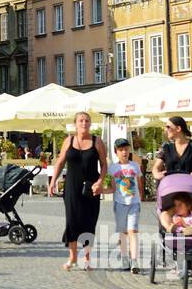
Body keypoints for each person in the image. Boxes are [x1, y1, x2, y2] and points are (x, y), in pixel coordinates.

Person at [49, 111, 108, 271]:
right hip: (72, 187)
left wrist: (100, 181)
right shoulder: (69, 140)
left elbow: (104, 165)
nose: (84, 123)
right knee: (72, 221)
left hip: (91, 188)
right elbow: (60, 162)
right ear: (75, 123)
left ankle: (87, 259)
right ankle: (73, 257)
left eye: (87, 121)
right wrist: (53, 181)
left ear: (90, 124)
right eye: (81, 121)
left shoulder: (97, 141)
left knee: (89, 221)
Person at [108, 138, 143, 273]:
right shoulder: (113, 168)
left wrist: (140, 198)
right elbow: (112, 187)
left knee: (132, 231)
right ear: (116, 152)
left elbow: (139, 183)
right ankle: (124, 258)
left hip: (134, 203)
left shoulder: (135, 166)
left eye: (126, 149)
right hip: (119, 203)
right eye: (121, 150)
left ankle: (134, 261)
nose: (124, 152)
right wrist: (100, 190)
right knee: (123, 233)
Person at [159, 193, 192, 280]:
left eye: (180, 205)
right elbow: (170, 217)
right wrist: (174, 224)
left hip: (191, 236)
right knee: (164, 215)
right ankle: (168, 227)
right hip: (177, 237)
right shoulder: (175, 216)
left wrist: (184, 224)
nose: (176, 208)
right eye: (175, 206)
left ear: (188, 206)